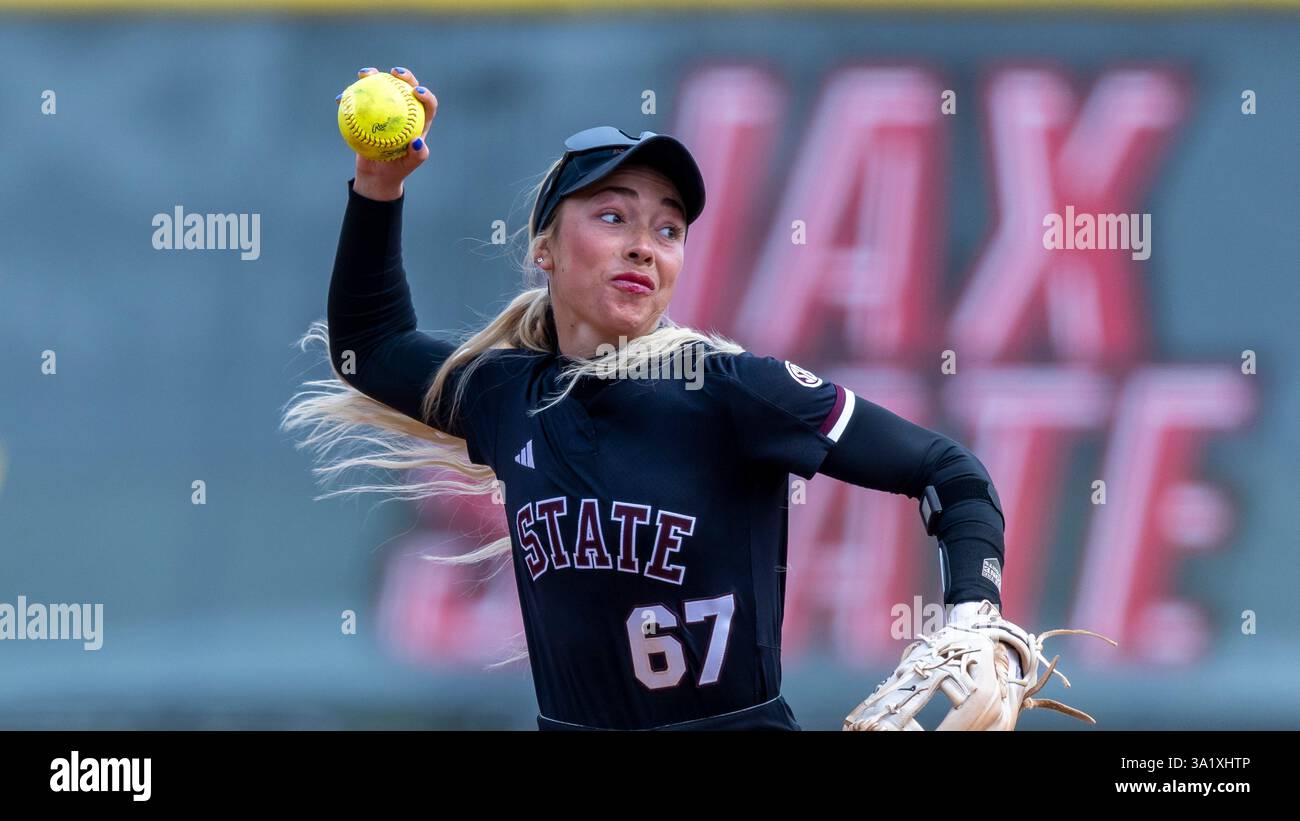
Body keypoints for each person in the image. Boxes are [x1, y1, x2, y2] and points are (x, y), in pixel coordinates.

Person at [284, 66, 1010, 731]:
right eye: (613, 216)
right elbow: (369, 348)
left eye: (668, 228)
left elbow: (949, 472)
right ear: (545, 248)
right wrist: (379, 187)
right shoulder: (508, 397)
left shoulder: (728, 390)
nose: (645, 246)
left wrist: (973, 609)